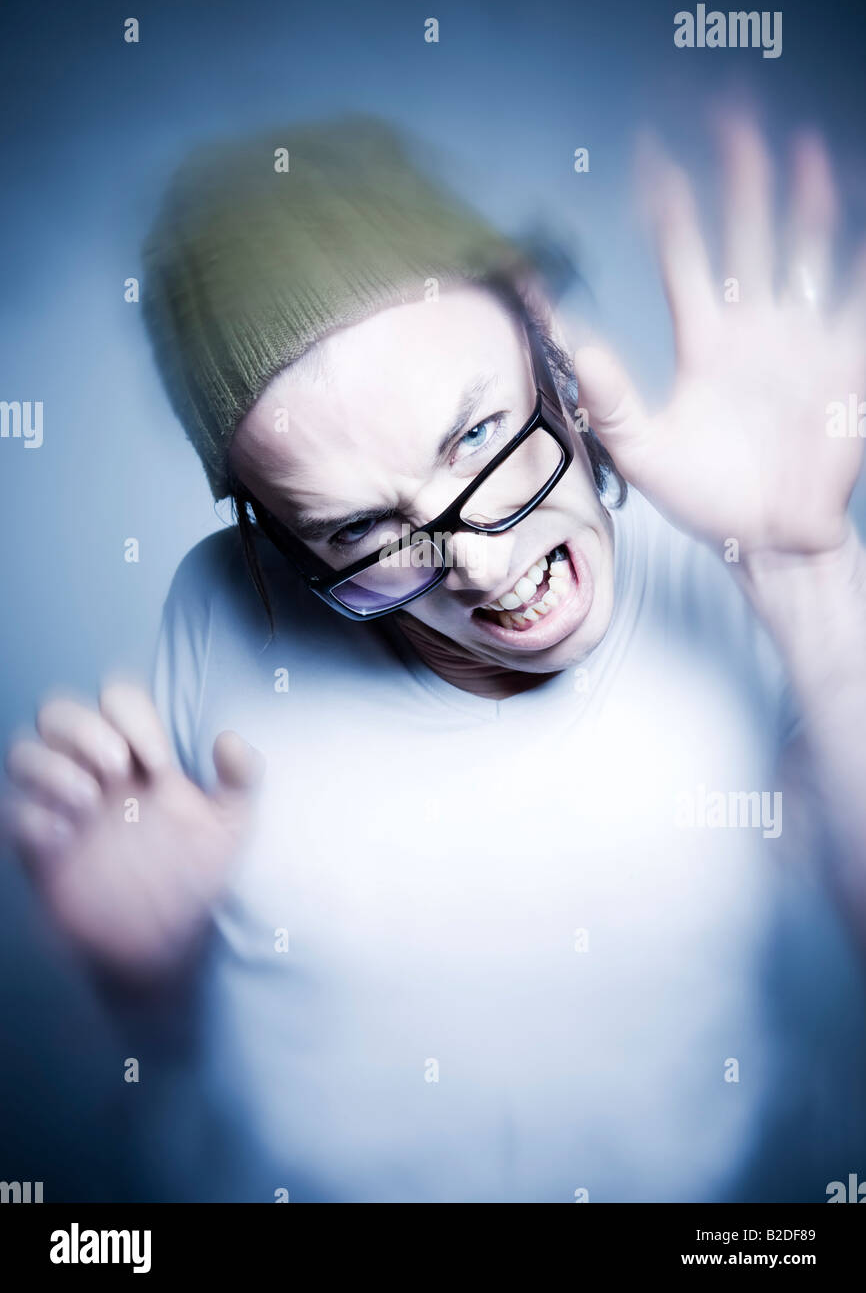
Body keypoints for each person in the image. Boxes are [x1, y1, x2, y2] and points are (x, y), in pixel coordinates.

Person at [4, 113, 866, 1202]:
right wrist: (137, 976)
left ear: (546, 350)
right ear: (271, 543)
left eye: (474, 439)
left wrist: (804, 572)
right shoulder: (222, 608)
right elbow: (151, 1071)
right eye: (364, 535)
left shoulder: (724, 559)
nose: (478, 558)